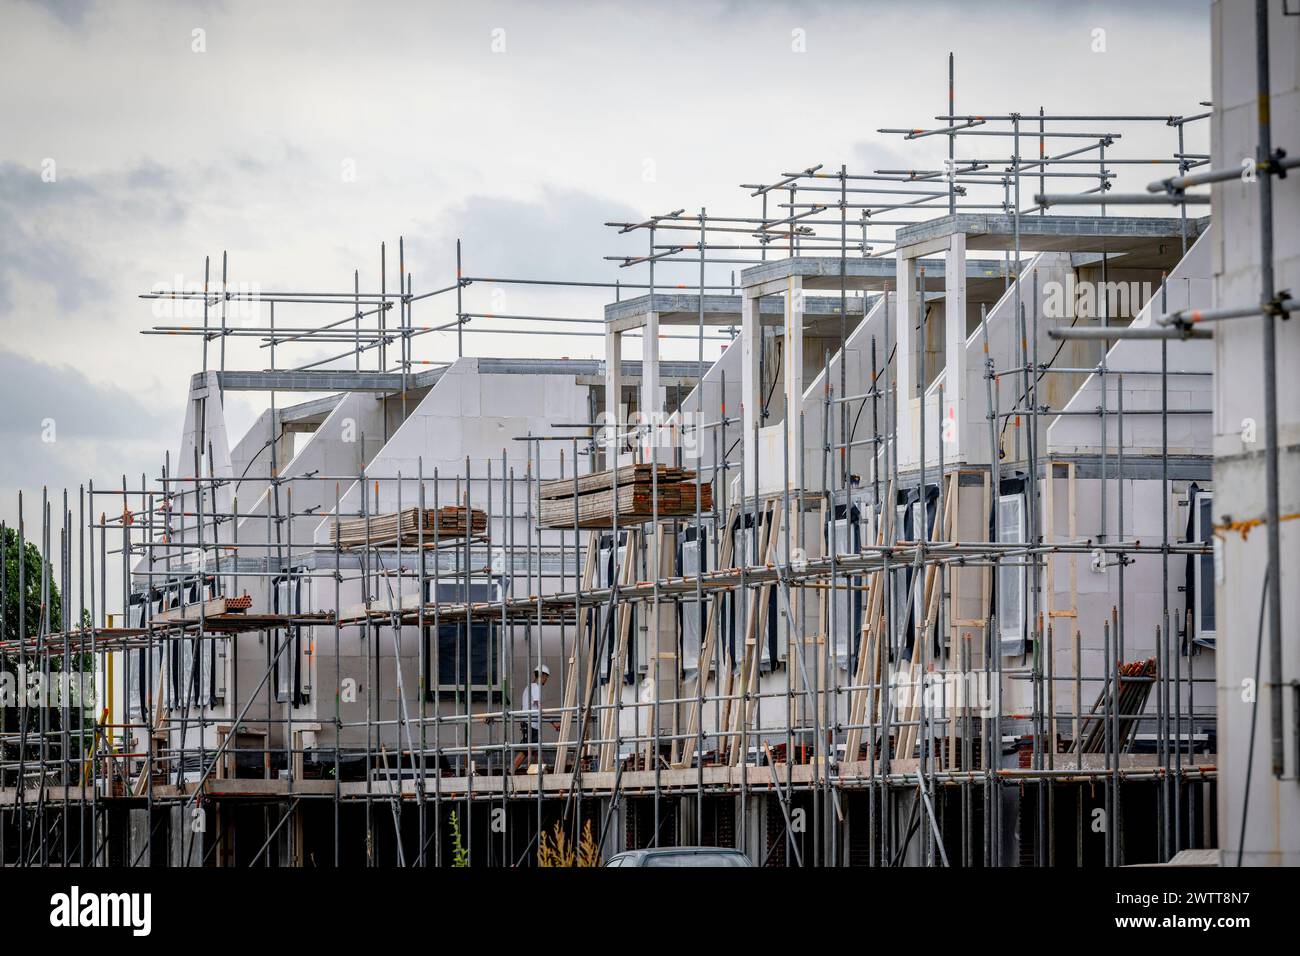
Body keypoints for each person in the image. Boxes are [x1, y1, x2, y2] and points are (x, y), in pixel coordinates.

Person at [513, 664, 559, 773]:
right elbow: (539, 708)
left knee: (536, 749)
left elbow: (523, 707)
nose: (546, 680)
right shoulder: (535, 688)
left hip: (529, 722)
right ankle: (511, 770)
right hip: (530, 724)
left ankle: (543, 771)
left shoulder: (528, 688)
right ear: (542, 675)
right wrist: (554, 723)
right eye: (546, 677)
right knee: (526, 749)